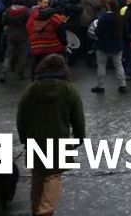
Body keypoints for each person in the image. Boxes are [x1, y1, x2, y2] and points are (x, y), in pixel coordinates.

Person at [16, 54, 86, 216]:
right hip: (59, 139)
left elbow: (21, 116)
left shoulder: (32, 89)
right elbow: (78, 118)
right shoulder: (69, 89)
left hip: (35, 139)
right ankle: (45, 211)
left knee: (38, 177)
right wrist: (79, 138)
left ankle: (36, 210)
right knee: (53, 176)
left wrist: (24, 138)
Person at [91, 0, 127, 94]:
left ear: (108, 6)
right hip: (117, 45)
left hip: (103, 45)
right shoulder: (120, 17)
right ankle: (122, 84)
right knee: (118, 65)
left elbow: (98, 32)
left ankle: (100, 86)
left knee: (101, 66)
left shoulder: (104, 17)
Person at [1, 0, 30, 82]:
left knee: (8, 55)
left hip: (11, 34)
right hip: (23, 34)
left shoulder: (8, 10)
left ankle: (4, 73)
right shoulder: (26, 11)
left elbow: (3, 22)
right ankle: (21, 72)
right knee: (22, 55)